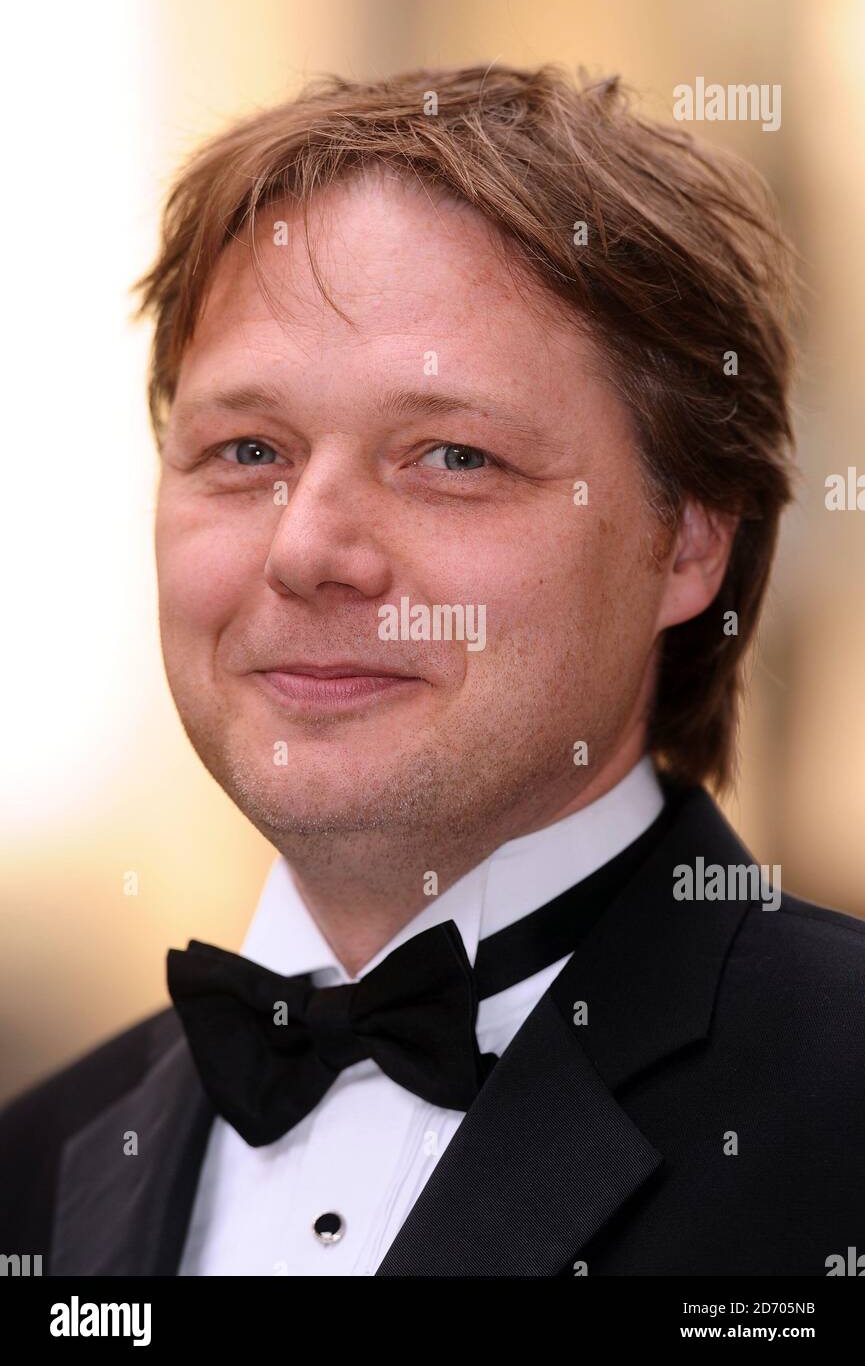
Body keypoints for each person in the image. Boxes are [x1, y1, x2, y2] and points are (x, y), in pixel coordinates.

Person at [3, 63, 864, 1278]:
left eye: (452, 456)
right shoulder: (33, 1168)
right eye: (247, 449)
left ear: (688, 540)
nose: (308, 551)